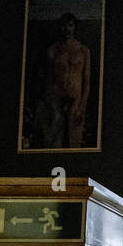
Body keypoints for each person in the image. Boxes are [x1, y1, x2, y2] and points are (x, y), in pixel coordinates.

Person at [31, 11, 91, 149]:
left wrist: (82, 105)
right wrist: (49, 102)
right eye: (64, 25)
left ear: (75, 27)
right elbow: (49, 79)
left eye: (70, 25)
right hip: (56, 98)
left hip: (75, 98)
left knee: (73, 141)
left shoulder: (84, 51)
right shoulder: (52, 50)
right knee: (54, 141)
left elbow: (87, 81)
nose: (67, 29)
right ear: (59, 27)